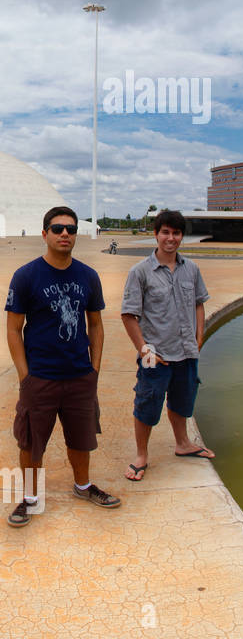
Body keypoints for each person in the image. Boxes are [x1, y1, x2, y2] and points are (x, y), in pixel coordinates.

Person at [8, 205, 115, 526]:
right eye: (57, 228)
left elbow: (95, 324)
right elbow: (13, 329)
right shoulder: (26, 276)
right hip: (40, 376)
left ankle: (83, 486)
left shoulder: (88, 276)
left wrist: (94, 369)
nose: (65, 233)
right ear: (45, 234)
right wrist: (25, 376)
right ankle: (29, 498)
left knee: (81, 438)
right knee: (30, 441)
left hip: (79, 375)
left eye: (70, 229)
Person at [121, 209, 215, 482]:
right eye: (165, 232)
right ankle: (141, 455)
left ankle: (183, 443)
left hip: (186, 351)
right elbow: (128, 315)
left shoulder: (191, 269)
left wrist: (199, 335)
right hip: (156, 354)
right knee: (147, 403)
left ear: (182, 236)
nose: (170, 238)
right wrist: (144, 349)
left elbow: (199, 303)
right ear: (156, 234)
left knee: (183, 400)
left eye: (176, 233)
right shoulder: (140, 272)